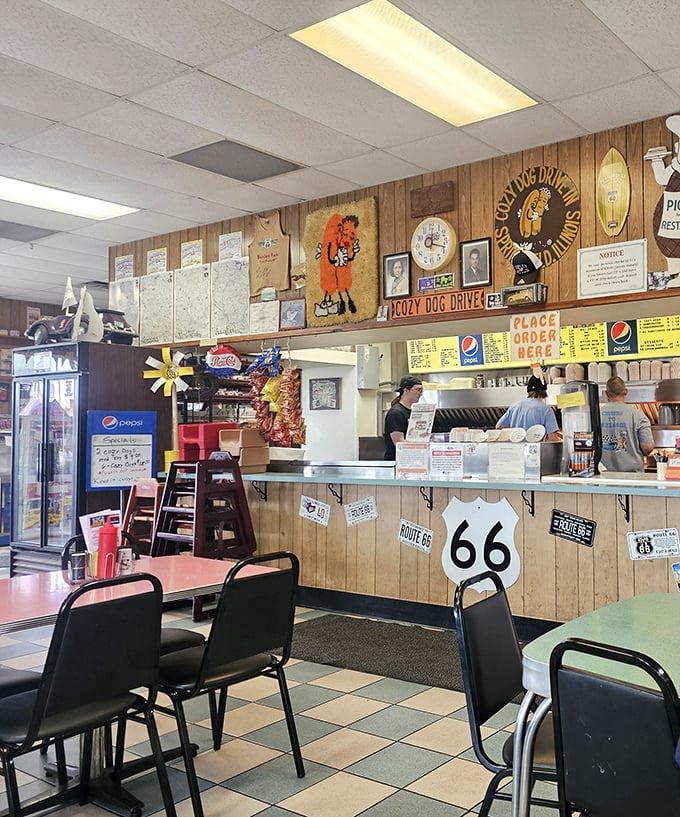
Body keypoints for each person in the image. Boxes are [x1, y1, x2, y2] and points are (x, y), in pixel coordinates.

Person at [599, 376, 655, 472]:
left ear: (606, 394)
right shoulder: (638, 415)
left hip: (604, 476)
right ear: (626, 392)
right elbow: (647, 447)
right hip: (633, 477)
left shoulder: (596, 415)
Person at [496, 374, 560, 440]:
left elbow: (499, 426)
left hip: (516, 448)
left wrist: (514, 436)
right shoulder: (546, 410)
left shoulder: (514, 406)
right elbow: (553, 439)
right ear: (544, 391)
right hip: (536, 448)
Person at [383, 375, 423, 460]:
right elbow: (399, 443)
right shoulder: (396, 413)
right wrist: (421, 448)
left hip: (409, 461)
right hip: (398, 462)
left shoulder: (412, 412)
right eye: (418, 390)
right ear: (406, 390)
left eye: (421, 391)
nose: (420, 393)